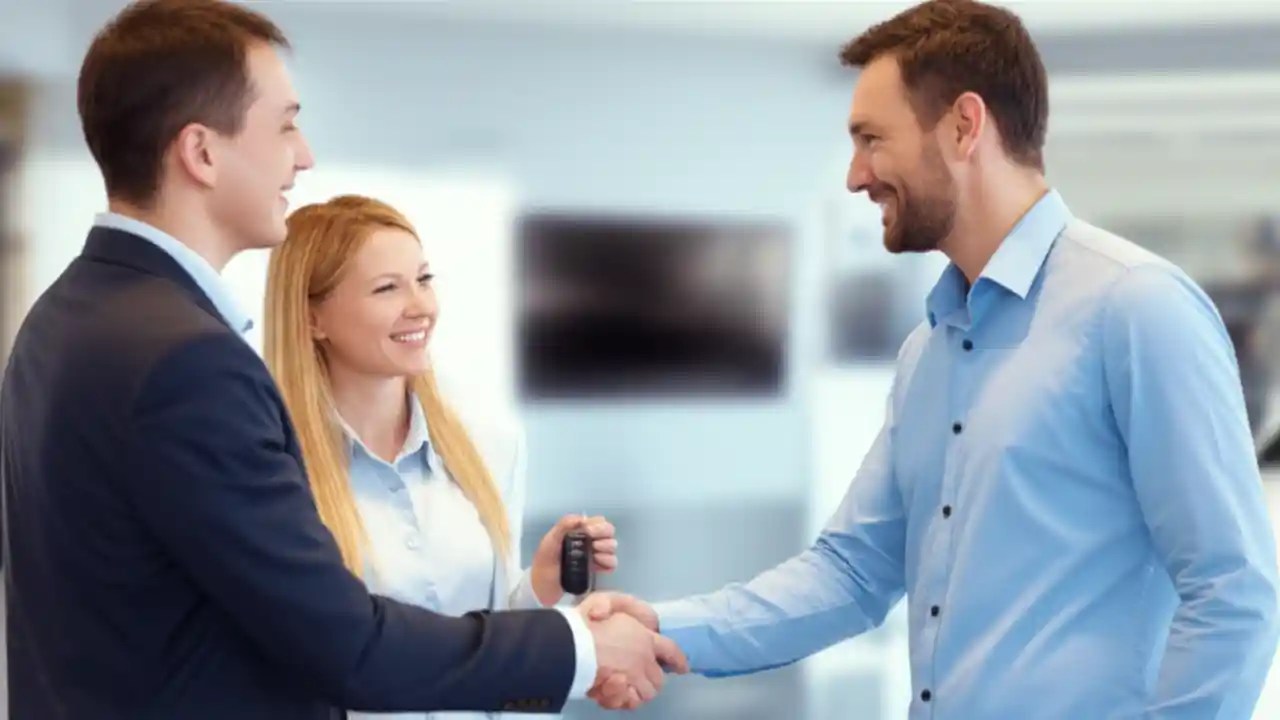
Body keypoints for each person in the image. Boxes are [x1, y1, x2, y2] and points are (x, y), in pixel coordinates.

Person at [584, 0, 1280, 717]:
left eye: (871, 139)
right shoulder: (930, 348)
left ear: (963, 125)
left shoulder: (1138, 308)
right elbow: (852, 573)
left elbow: (1234, 592)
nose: (856, 176)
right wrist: (664, 628)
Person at [0, 1, 682, 718]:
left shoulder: (59, 320)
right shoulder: (187, 363)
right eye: (286, 124)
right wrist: (575, 648)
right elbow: (350, 648)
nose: (305, 154)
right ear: (201, 153)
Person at [262, 194, 619, 720]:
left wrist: (541, 583)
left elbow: (491, 642)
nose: (421, 307)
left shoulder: (489, 443)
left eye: (423, 280)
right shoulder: (274, 471)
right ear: (314, 319)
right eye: (387, 288)